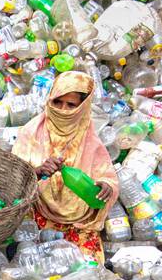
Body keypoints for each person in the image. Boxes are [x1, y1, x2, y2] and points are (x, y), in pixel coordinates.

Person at [12, 70, 119, 263]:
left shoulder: (90, 140)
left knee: (84, 272)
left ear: (83, 107)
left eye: (71, 105)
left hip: (78, 223)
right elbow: (12, 178)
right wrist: (37, 171)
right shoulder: (31, 132)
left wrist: (106, 186)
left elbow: (108, 176)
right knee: (34, 265)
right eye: (57, 102)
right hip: (38, 216)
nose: (62, 109)